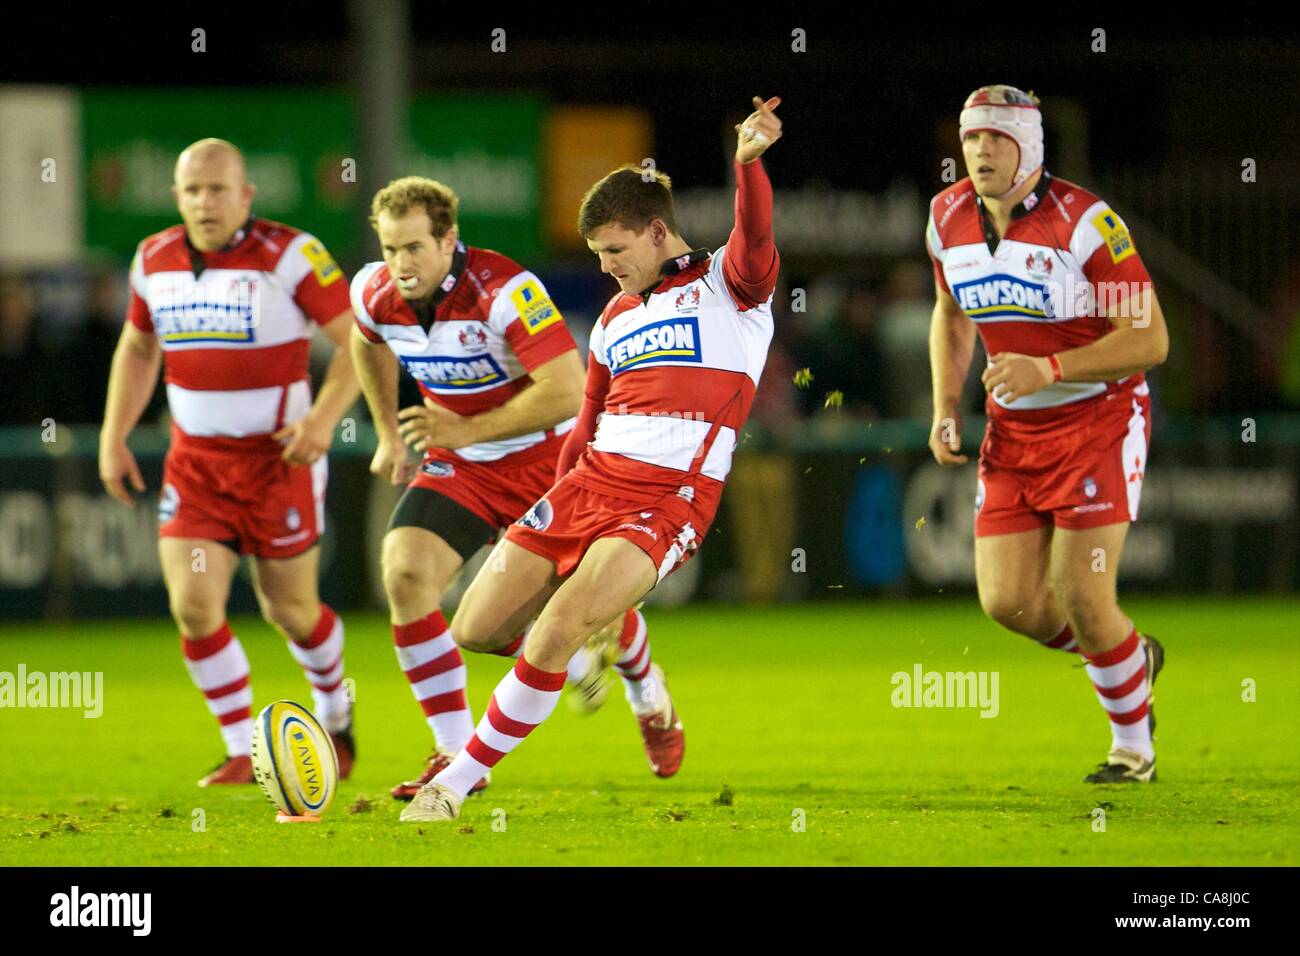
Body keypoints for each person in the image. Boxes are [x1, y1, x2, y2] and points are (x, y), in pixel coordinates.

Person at [400, 95, 784, 822]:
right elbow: (586, 421)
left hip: (668, 498)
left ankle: (457, 782)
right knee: (475, 629)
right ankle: (640, 667)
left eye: (615, 250)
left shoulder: (731, 290)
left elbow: (754, 231)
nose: (606, 267)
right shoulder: (614, 316)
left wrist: (748, 166)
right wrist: (550, 506)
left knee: (557, 628)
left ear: (658, 231)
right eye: (597, 255)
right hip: (585, 485)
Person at [349, 176, 635, 800]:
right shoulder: (372, 292)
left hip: (549, 464)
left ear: (450, 240)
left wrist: (463, 425)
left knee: (580, 603)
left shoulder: (506, 289)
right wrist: (387, 435)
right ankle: (453, 750)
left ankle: (627, 669)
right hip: (465, 465)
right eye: (391, 248)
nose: (400, 264)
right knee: (404, 575)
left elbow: (566, 387)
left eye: (415, 248)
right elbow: (364, 342)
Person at [925, 86, 1170, 783]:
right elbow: (950, 312)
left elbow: (1150, 338)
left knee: (1084, 592)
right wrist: (946, 403)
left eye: (997, 138)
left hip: (1097, 417)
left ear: (1030, 146)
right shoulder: (946, 218)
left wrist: (1053, 366)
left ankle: (1134, 750)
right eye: (971, 139)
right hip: (1014, 430)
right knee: (1009, 603)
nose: (979, 152)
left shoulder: (1086, 223)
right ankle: (1125, 656)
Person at [98, 138, 361, 786]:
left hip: (279, 459)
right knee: (193, 605)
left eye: (219, 189)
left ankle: (336, 713)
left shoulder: (291, 255)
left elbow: (361, 343)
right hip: (196, 463)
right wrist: (114, 435)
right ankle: (242, 748)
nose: (205, 201)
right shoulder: (152, 259)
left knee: (290, 611)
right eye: (193, 190)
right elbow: (137, 348)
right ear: (177, 197)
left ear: (246, 195)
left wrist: (323, 419)